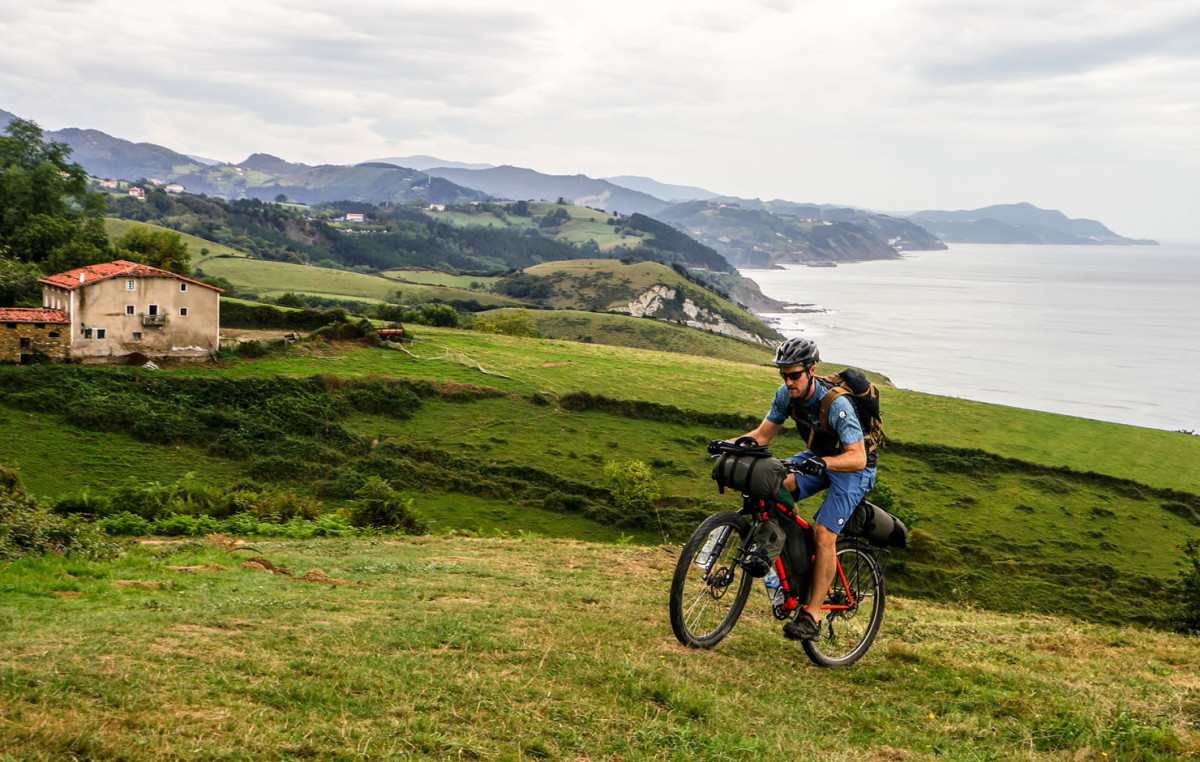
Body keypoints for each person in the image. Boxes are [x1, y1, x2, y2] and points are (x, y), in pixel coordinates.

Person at [738, 336, 876, 641]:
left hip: (854, 467)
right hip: (819, 459)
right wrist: (730, 446)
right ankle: (795, 557)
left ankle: (811, 615)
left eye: (794, 375)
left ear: (811, 370)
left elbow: (857, 456)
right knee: (775, 485)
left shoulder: (837, 404)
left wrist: (825, 464)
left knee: (825, 533)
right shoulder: (785, 395)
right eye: (783, 375)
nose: (788, 382)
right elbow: (762, 435)